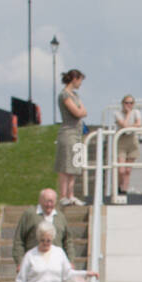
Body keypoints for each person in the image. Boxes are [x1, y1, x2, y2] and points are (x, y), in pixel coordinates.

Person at [12, 188, 71, 266]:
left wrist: (70, 261)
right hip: (34, 262)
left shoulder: (60, 217)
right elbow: (19, 240)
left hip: (56, 263)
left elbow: (68, 241)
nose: (49, 204)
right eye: (47, 201)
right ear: (40, 200)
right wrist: (20, 262)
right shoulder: (30, 214)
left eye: (52, 201)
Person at [55, 69, 87, 206]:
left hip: (77, 134)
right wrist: (81, 112)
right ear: (74, 79)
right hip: (68, 133)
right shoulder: (64, 95)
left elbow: (83, 111)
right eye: (80, 80)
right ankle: (63, 196)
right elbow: (77, 112)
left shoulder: (75, 95)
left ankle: (71, 195)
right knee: (65, 165)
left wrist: (81, 112)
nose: (80, 83)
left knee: (74, 165)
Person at [113, 95, 142, 195]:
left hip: (132, 141)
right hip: (121, 140)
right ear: (122, 103)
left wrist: (129, 125)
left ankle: (124, 191)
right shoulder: (117, 114)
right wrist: (129, 114)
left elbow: (138, 124)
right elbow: (124, 125)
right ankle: (119, 187)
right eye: (126, 103)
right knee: (121, 169)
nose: (129, 105)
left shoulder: (137, 112)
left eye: (131, 103)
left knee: (128, 170)